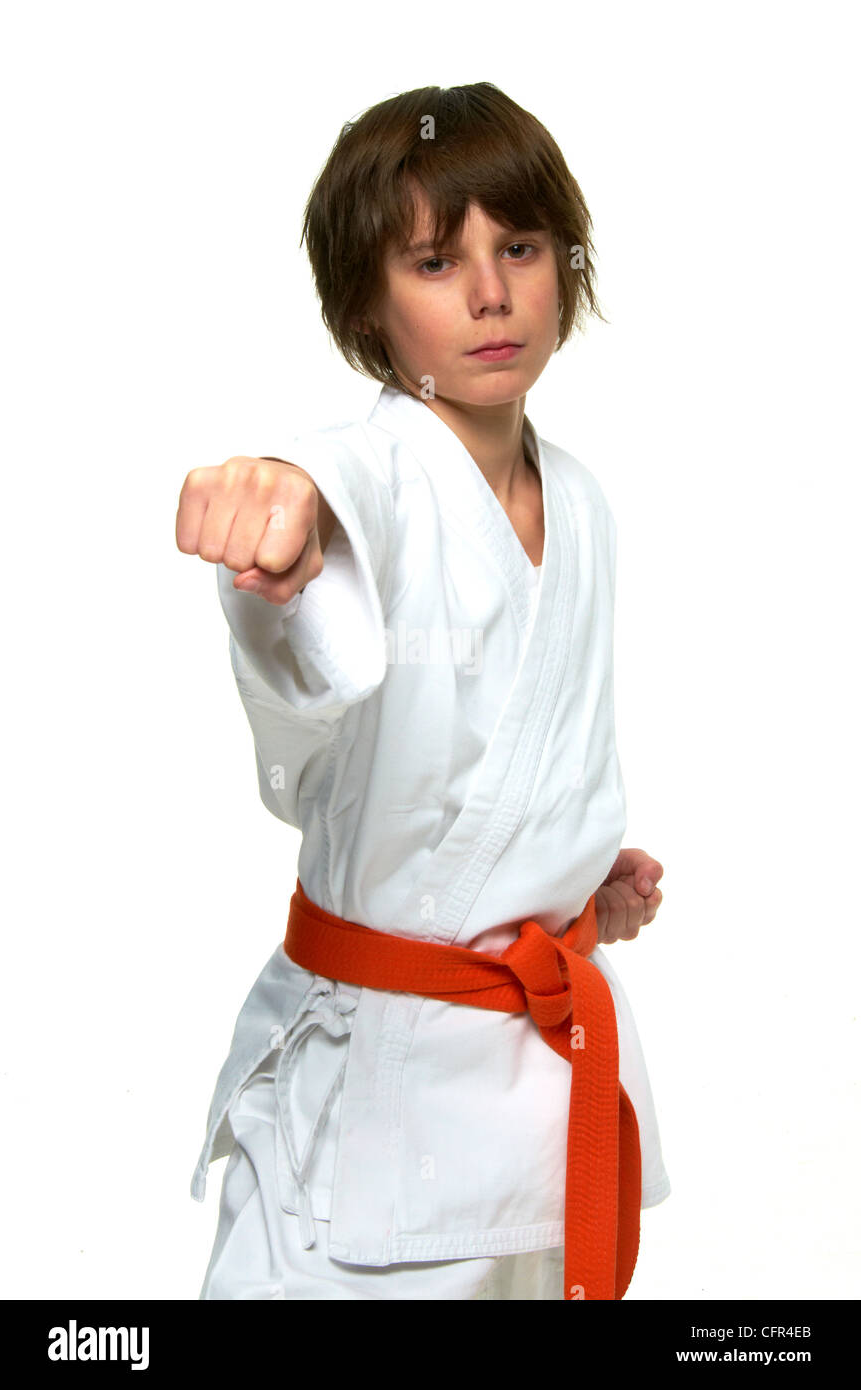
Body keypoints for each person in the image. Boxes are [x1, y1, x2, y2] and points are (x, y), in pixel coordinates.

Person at [176, 81, 670, 1301]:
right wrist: (278, 518)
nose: (490, 294)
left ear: (567, 263)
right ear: (368, 304)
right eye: (435, 261)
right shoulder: (376, 475)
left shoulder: (587, 503)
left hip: (534, 1087)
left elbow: (487, 756)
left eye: (519, 247)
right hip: (376, 1116)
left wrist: (558, 873)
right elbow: (324, 522)